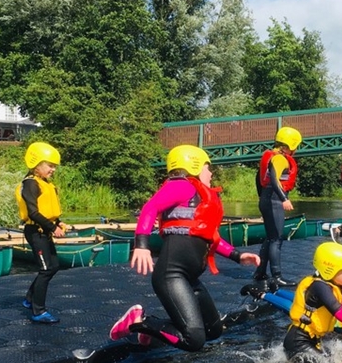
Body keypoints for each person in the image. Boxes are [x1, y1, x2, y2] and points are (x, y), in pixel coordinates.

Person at [109, 145, 260, 351]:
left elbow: (211, 237)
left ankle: (150, 331)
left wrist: (237, 256)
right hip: (172, 275)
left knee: (213, 330)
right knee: (193, 339)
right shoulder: (182, 186)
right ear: (194, 166)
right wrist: (142, 245)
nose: (211, 173)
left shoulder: (198, 196)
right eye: (208, 167)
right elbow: (150, 207)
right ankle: (138, 321)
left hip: (189, 278)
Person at [16, 142, 67, 324]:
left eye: (54, 166)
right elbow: (33, 213)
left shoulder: (45, 183)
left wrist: (58, 222)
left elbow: (48, 209)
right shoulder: (30, 183)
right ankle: (39, 311)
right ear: (37, 165)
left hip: (44, 230)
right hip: (35, 231)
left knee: (53, 266)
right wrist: (53, 228)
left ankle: (29, 299)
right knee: (45, 269)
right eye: (50, 165)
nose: (53, 170)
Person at [252, 126, 302, 292]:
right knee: (276, 239)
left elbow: (258, 179)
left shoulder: (270, 155)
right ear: (289, 145)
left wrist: (263, 198)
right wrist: (283, 199)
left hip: (267, 198)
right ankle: (277, 276)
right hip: (274, 199)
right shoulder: (280, 158)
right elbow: (274, 179)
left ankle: (260, 272)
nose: (296, 150)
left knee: (270, 237)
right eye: (295, 146)